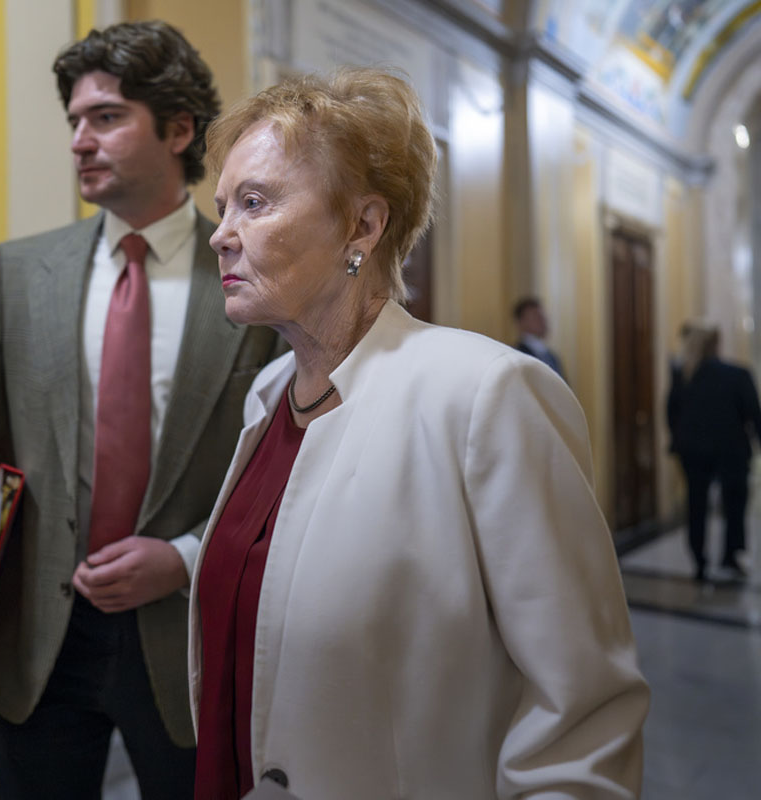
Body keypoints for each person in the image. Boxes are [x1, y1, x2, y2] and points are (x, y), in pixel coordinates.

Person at [188, 68, 649, 799]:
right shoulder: (268, 397)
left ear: (362, 226)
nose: (220, 236)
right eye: (222, 208)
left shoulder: (485, 397)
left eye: (255, 203)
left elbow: (584, 714)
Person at [0, 21, 283, 800]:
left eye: (107, 117)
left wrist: (186, 557)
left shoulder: (252, 277)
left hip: (187, 629)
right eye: (74, 122)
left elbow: (283, 468)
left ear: (179, 130)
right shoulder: (25, 270)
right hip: (38, 633)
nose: (80, 141)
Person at [666, 321, 761, 582]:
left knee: (696, 504)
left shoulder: (684, 375)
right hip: (732, 451)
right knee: (734, 504)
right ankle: (731, 554)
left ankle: (699, 559)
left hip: (693, 451)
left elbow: (672, 413)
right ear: (716, 344)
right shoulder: (738, 374)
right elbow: (754, 414)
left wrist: (680, 439)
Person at [513, 295, 565, 379]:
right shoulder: (518, 355)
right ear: (521, 322)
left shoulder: (552, 356)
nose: (542, 321)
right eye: (536, 317)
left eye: (543, 317)